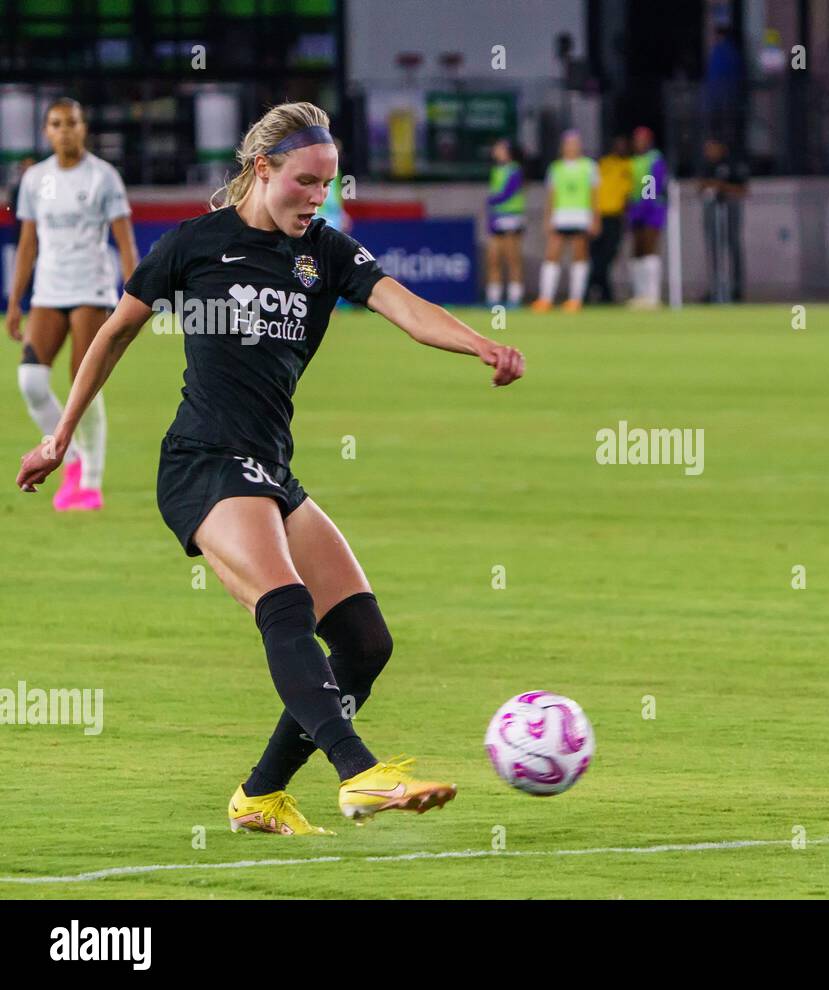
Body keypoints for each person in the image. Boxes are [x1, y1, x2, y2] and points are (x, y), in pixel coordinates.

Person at [16, 101, 526, 835]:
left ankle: (260, 794)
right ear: (263, 170)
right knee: (284, 603)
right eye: (306, 183)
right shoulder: (195, 244)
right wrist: (61, 435)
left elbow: (404, 306)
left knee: (364, 642)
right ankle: (359, 775)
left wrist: (480, 344)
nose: (317, 198)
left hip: (268, 469)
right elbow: (113, 335)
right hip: (202, 462)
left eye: (328, 185)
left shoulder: (326, 252)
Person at [6, 98, 137, 512]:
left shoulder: (104, 177)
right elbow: (27, 243)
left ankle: (91, 484)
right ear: (47, 131)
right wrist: (15, 302)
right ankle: (73, 456)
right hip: (48, 292)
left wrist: (137, 291)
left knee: (86, 381)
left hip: (91, 290)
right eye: (56, 124)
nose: (65, 130)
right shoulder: (35, 179)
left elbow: (124, 238)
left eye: (72, 123)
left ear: (84, 128)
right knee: (30, 380)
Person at [532, 129, 598, 313]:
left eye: (575, 144)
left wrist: (595, 218)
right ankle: (545, 298)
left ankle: (575, 299)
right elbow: (551, 196)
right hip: (561, 215)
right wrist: (547, 218)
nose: (572, 147)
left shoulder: (589, 166)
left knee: (579, 255)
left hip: (581, 215)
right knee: (552, 254)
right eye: (569, 144)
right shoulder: (556, 168)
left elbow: (594, 195)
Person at [699, 137, 748, 302]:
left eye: (712, 148)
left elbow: (743, 190)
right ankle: (715, 289)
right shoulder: (707, 166)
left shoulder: (733, 165)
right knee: (714, 250)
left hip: (730, 211)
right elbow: (701, 186)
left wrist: (722, 187)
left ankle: (736, 289)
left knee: (733, 247)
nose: (709, 152)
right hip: (712, 211)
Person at [626, 126, 667, 309]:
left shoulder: (654, 159)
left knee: (650, 248)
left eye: (642, 139)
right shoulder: (634, 161)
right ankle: (640, 293)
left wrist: (642, 208)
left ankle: (652, 294)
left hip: (651, 210)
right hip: (636, 209)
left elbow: (651, 188)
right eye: (636, 139)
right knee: (637, 251)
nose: (638, 143)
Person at [588, 135, 631, 303]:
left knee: (607, 256)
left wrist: (645, 204)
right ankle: (605, 296)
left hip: (616, 217)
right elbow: (593, 190)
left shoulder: (629, 165)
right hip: (598, 215)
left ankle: (592, 291)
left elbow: (635, 191)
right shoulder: (603, 164)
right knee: (596, 256)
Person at [484, 138, 526, 308]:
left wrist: (492, 200)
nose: (496, 150)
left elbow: (507, 193)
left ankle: (514, 298)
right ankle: (493, 298)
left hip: (511, 218)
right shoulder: (495, 170)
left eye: (499, 148)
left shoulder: (515, 170)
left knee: (512, 258)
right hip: (497, 218)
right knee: (493, 258)